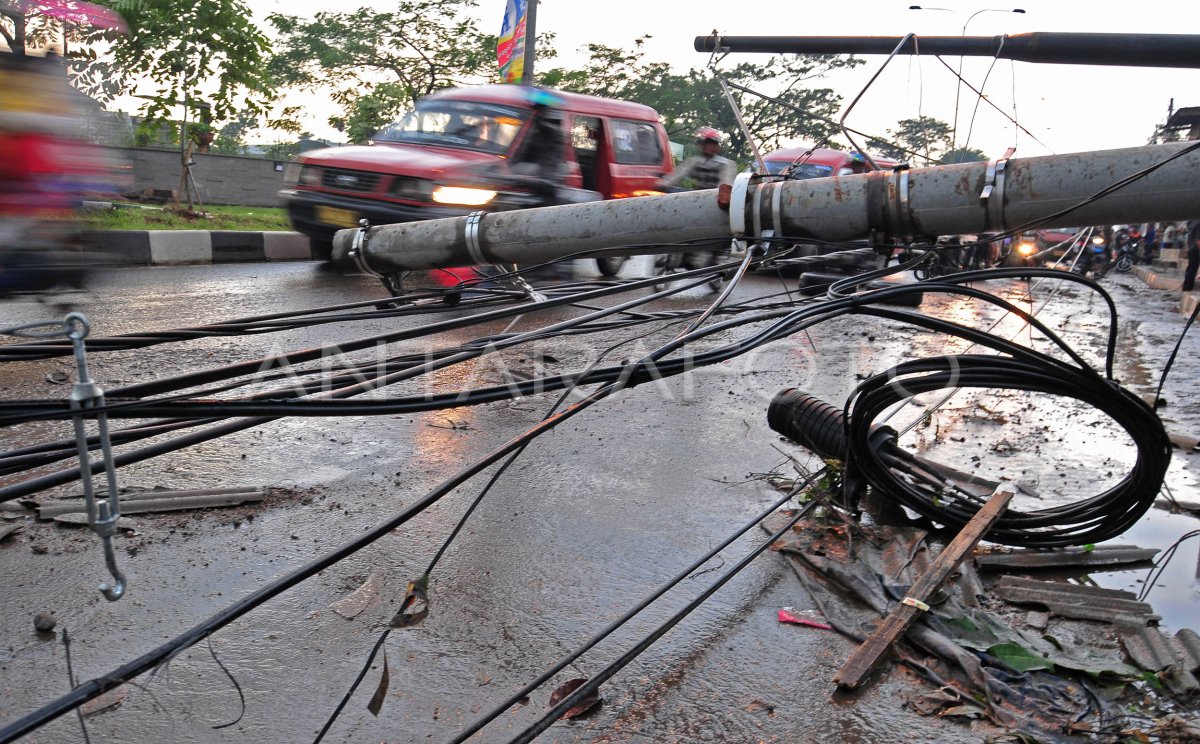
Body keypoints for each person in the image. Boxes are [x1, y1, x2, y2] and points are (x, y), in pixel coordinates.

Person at [508, 89, 567, 207]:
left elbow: (549, 170)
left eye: (540, 109)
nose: (537, 113)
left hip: (543, 195)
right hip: (523, 192)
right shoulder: (530, 130)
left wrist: (518, 177)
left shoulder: (552, 135)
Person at [659, 127, 736, 192]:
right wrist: (662, 184)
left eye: (712, 143)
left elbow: (725, 185)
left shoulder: (726, 164)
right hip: (699, 197)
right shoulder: (695, 162)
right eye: (706, 143)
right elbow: (677, 175)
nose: (708, 146)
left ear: (717, 146)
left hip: (716, 199)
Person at [1183, 218, 1200, 293]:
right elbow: (1198, 240)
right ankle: (1187, 288)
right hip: (1196, 249)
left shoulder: (1192, 221)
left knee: (1191, 269)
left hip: (1192, 248)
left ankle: (1187, 288)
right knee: (1192, 269)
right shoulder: (1198, 222)